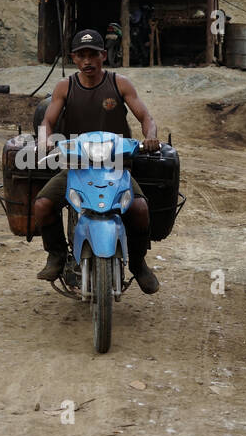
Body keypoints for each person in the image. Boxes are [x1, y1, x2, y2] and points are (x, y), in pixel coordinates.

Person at [33, 28, 161, 294]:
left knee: (139, 209)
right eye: (82, 55)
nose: (88, 61)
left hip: (117, 167)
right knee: (43, 205)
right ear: (74, 58)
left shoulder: (120, 83)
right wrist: (44, 138)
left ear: (104, 55)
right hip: (77, 167)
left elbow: (146, 117)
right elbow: (47, 120)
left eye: (93, 54)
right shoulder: (64, 87)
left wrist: (151, 136)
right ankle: (56, 255)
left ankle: (138, 263)